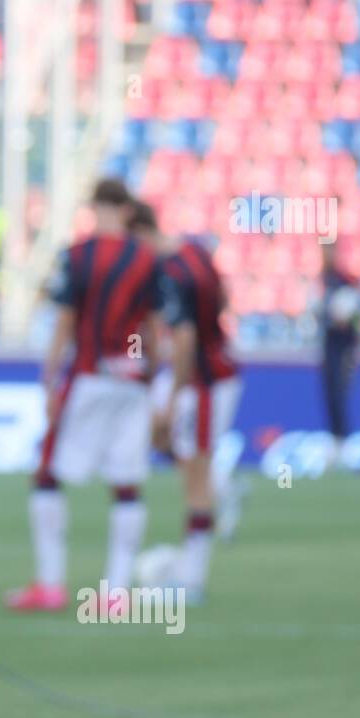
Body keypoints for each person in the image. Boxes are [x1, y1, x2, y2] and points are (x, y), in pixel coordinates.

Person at [7, 179, 163, 614]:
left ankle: (51, 584)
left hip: (90, 375)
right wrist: (151, 372)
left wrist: (49, 379)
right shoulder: (146, 258)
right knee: (127, 483)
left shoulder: (78, 255)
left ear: (95, 206)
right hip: (132, 380)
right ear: (128, 209)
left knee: (47, 476)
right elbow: (153, 328)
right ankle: (115, 592)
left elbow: (65, 322)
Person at [137, 201, 242, 601]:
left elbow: (184, 339)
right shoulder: (195, 251)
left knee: (195, 477)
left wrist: (173, 399)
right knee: (175, 451)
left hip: (205, 381)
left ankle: (190, 581)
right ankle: (223, 490)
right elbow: (222, 301)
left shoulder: (170, 272)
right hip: (212, 372)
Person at [320, 241, 360, 465]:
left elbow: (357, 318)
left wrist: (349, 325)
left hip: (343, 347)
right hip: (328, 346)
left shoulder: (345, 282)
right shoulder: (325, 280)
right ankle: (335, 441)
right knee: (329, 393)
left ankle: (344, 444)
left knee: (340, 392)